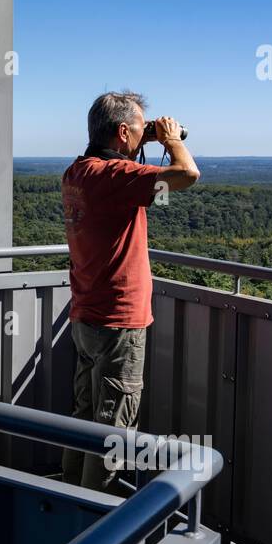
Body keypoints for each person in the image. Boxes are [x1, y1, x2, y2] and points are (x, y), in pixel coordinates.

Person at [60, 91, 199, 492]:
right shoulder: (114, 178)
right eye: (139, 129)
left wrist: (140, 140)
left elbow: (147, 188)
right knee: (114, 432)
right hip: (118, 323)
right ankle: (98, 525)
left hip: (85, 317)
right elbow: (187, 175)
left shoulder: (78, 172)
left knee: (84, 417)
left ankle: (68, 502)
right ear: (123, 132)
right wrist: (172, 140)